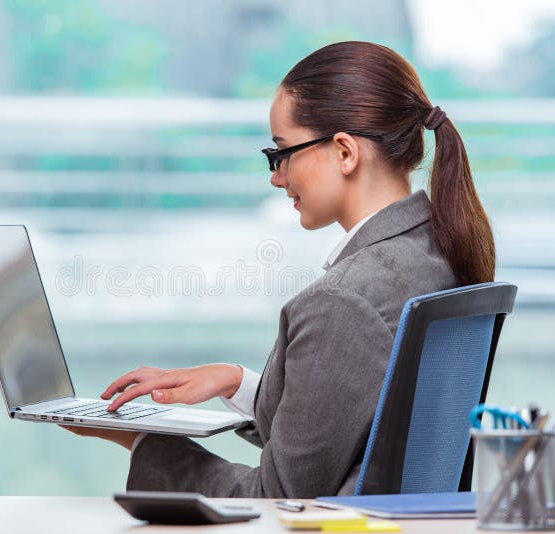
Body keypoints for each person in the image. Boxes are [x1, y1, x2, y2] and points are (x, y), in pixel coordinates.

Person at [62, 41, 496, 498]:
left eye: (283, 152)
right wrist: (237, 381)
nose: (277, 176)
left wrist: (140, 441)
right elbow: (353, 430)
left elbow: (275, 501)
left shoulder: (344, 301)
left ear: (345, 152)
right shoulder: (437, 251)